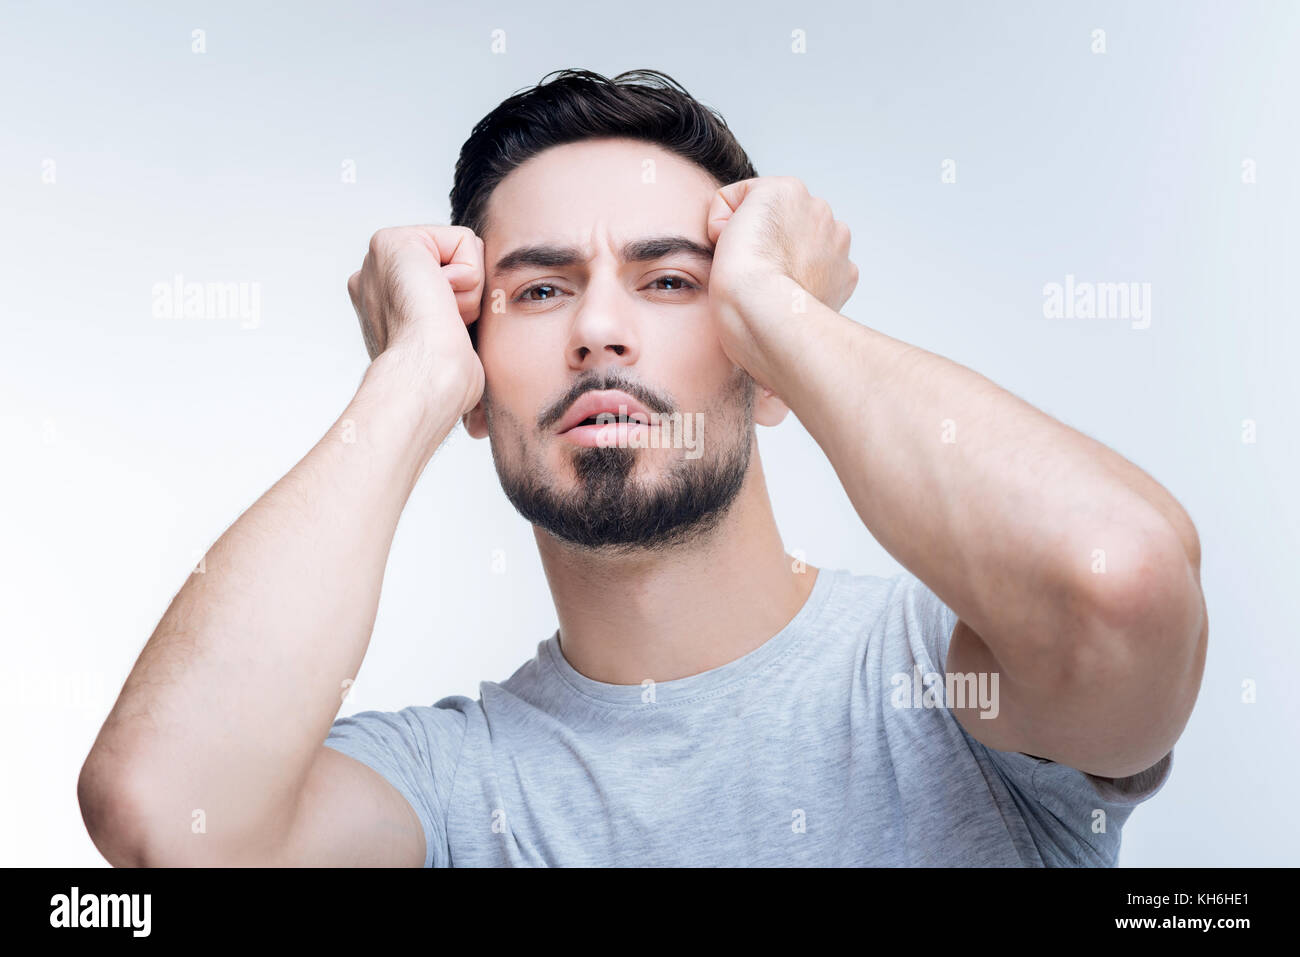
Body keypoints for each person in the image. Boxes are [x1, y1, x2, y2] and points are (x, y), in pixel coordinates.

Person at [78, 68, 1206, 867]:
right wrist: (409, 376)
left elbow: (1120, 586)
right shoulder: (454, 790)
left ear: (768, 372)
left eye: (670, 283)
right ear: (476, 389)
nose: (599, 332)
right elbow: (163, 816)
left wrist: (776, 308)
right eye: (538, 289)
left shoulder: (952, 676)